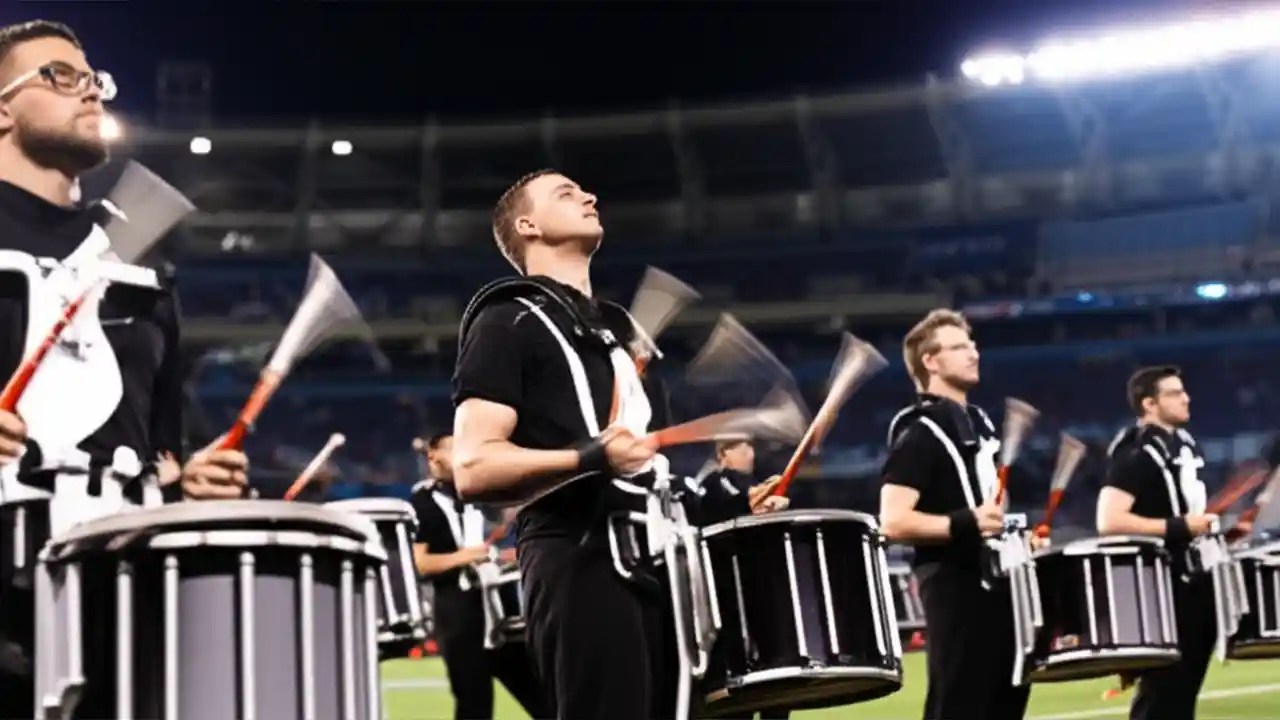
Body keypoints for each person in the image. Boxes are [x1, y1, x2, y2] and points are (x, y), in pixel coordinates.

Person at [0, 19, 246, 718]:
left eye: (94, 79)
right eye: (58, 75)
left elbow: (157, 447)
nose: (90, 93)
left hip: (125, 575)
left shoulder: (134, 262)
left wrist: (187, 478)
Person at [452, 169, 683, 719]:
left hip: (656, 558)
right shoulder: (506, 320)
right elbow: (473, 465)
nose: (590, 195)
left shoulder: (621, 332)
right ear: (527, 225)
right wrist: (591, 456)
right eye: (566, 193)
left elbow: (655, 466)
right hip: (577, 555)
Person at [877, 308, 1031, 720]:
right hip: (954, 584)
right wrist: (967, 522)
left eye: (973, 344)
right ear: (931, 361)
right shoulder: (919, 432)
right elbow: (892, 520)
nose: (974, 353)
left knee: (1006, 704)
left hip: (997, 580)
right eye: (960, 347)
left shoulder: (975, 426)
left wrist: (1012, 532)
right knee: (960, 705)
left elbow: (989, 508)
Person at [1098, 366, 1217, 720]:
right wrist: (1181, 527)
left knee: (1182, 691)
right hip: (1160, 587)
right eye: (1175, 393)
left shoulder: (1179, 446)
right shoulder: (1138, 451)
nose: (1186, 398)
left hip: (1191, 578)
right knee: (1162, 693)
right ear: (1149, 404)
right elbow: (1109, 519)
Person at [409, 432, 549, 720]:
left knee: (544, 696)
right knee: (474, 703)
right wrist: (467, 556)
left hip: (499, 605)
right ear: (433, 455)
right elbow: (420, 563)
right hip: (458, 611)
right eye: (454, 450)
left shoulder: (477, 491)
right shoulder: (422, 502)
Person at [698, 435, 789, 525]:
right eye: (743, 453)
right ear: (723, 454)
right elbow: (737, 504)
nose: (751, 456)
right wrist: (763, 501)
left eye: (751, 448)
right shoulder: (714, 483)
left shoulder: (754, 478)